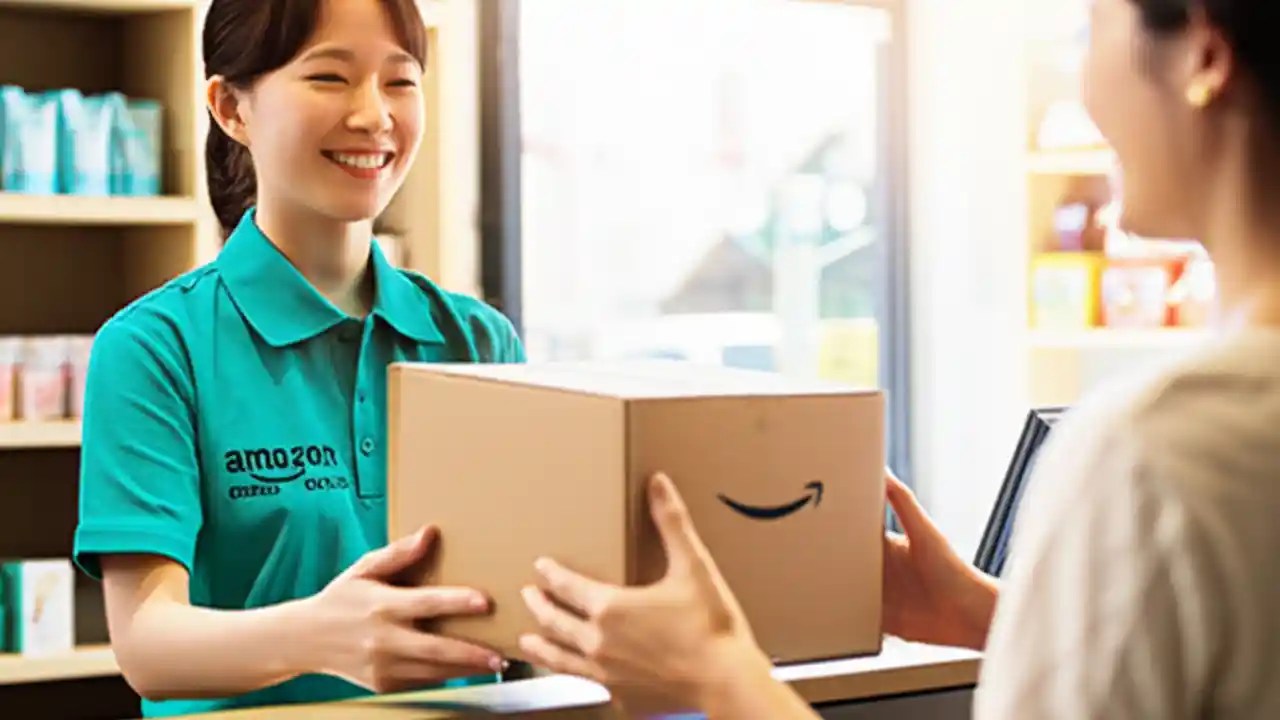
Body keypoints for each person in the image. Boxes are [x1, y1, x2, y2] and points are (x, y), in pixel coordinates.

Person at [519, 0, 1280, 717]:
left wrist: (719, 674)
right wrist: (990, 613)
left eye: (1092, 26)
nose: (1083, 87)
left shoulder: (1156, 454)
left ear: (1203, 54)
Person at [72, 0, 523, 716]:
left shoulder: (479, 342)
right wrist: (322, 636)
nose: (373, 115)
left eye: (400, 82)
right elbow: (147, 646)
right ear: (231, 108)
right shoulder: (155, 349)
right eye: (329, 78)